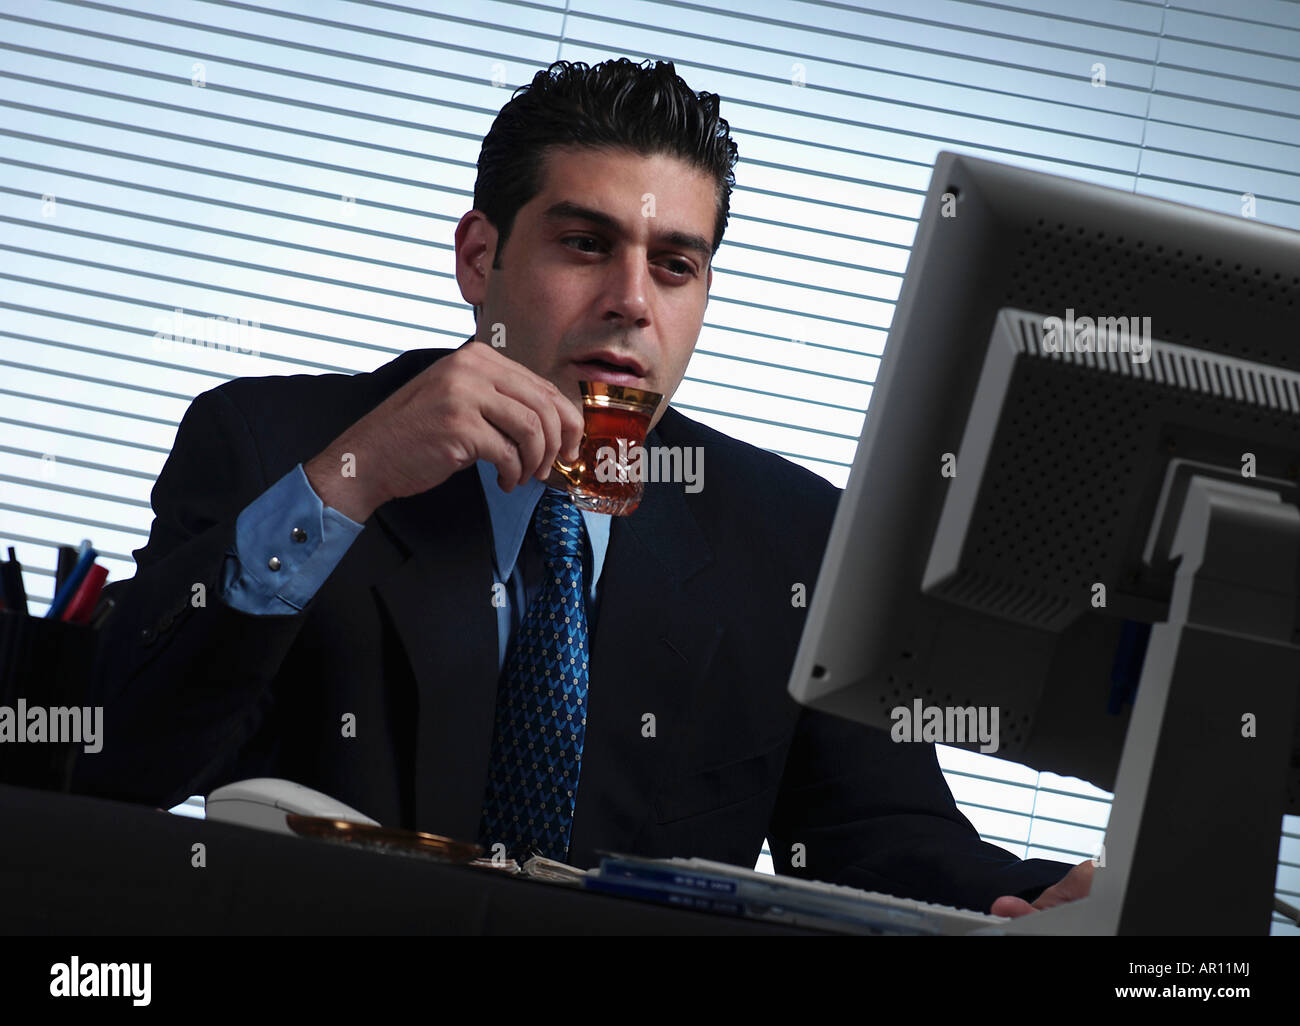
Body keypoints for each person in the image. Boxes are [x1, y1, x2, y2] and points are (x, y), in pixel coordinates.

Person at [75, 57, 1091, 917]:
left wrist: (1036, 907)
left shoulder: (794, 536)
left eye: (675, 265)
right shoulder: (275, 445)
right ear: (480, 257)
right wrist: (354, 480)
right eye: (585, 244)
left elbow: (880, 839)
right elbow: (125, 761)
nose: (630, 305)